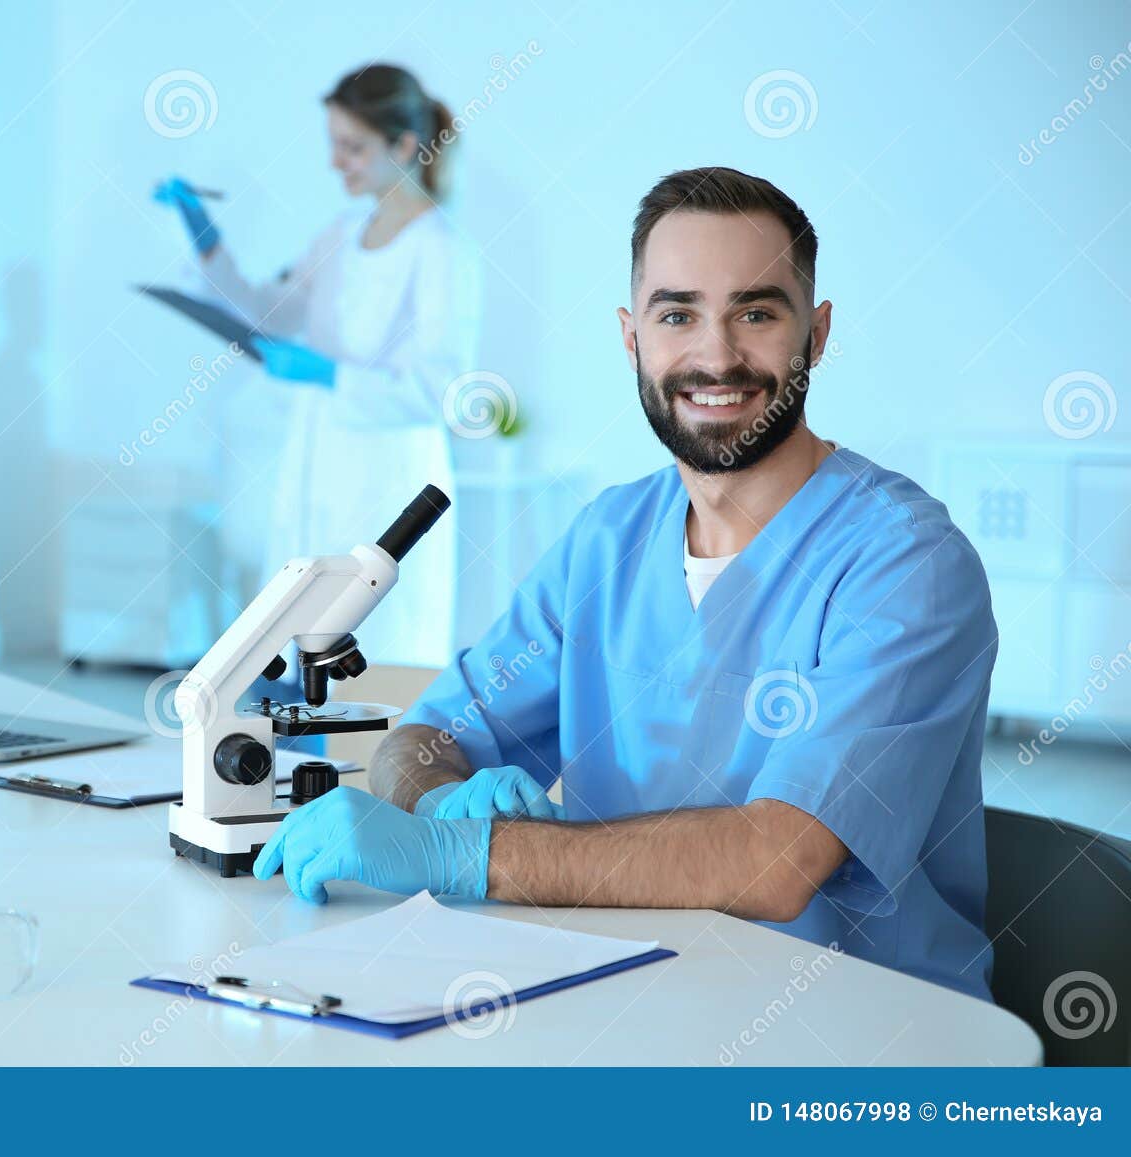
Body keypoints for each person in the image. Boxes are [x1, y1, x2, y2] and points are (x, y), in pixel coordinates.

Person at [252, 166, 999, 1002]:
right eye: (678, 314)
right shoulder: (607, 540)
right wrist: (439, 798)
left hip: (855, 1039)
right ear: (631, 337)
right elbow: (425, 735)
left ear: (815, 336)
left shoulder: (906, 563)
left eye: (756, 313)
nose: (716, 355)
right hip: (619, 1000)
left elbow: (779, 858)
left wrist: (461, 855)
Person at [153, 63, 481, 669]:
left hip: (389, 478)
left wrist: (331, 375)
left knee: (379, 658)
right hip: (319, 460)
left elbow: (438, 390)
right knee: (304, 638)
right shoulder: (341, 233)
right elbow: (272, 312)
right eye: (334, 145)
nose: (337, 162)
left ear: (405, 145)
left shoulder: (441, 249)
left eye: (353, 147)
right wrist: (205, 235)